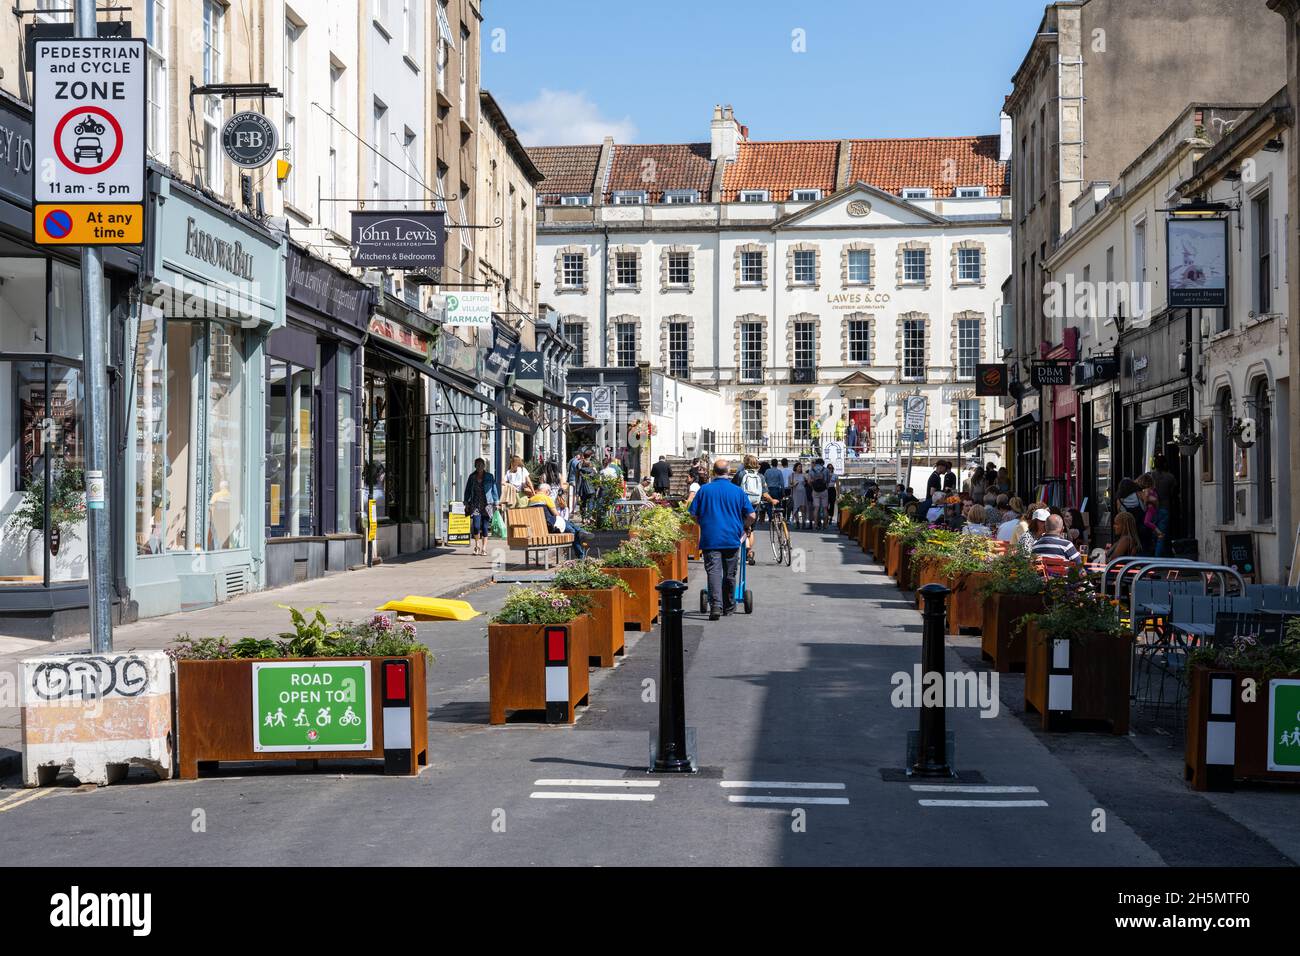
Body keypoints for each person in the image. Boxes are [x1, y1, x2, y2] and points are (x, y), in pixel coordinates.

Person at [689, 458, 756, 620]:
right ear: (728, 472)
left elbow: (693, 514)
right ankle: (729, 606)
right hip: (732, 537)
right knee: (730, 574)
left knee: (713, 572)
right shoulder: (738, 491)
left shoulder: (704, 490)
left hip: (711, 538)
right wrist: (744, 527)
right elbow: (751, 515)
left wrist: (703, 524)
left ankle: (716, 606)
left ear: (713, 472)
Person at [463, 458, 499, 556]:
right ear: (475, 466)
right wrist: (466, 503)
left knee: (485, 527)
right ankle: (477, 545)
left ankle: (484, 548)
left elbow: (494, 490)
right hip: (475, 505)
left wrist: (496, 502)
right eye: (477, 465)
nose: (479, 467)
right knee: (476, 526)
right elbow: (467, 490)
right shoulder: (472, 477)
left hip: (487, 505)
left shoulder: (489, 476)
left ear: (484, 466)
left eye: (481, 465)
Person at [733, 454, 765, 563]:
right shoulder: (760, 476)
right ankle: (749, 552)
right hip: (755, 505)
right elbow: (764, 493)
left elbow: (733, 488)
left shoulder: (740, 474)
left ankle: (740, 549)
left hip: (741, 505)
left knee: (741, 527)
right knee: (751, 529)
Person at [807, 458, 831, 528]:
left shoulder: (812, 470)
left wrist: (813, 487)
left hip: (815, 491)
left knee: (816, 508)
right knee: (825, 508)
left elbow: (809, 482)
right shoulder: (826, 470)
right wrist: (826, 486)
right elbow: (828, 480)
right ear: (822, 463)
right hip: (824, 490)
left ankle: (815, 524)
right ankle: (825, 525)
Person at [764, 457, 787, 522]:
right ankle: (777, 517)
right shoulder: (779, 472)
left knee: (769, 504)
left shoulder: (767, 471)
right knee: (777, 504)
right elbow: (782, 483)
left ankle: (770, 517)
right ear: (777, 464)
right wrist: (783, 491)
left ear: (771, 464)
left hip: (768, 489)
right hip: (776, 489)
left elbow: (764, 481)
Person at [790, 461, 809, 528]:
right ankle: (797, 522)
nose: (800, 468)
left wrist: (807, 479)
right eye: (799, 467)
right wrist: (794, 484)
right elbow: (790, 485)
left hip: (802, 493)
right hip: (795, 493)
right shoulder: (791, 475)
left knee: (803, 508)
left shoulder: (803, 475)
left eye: (801, 467)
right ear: (795, 467)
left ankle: (803, 522)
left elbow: (807, 483)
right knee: (795, 508)